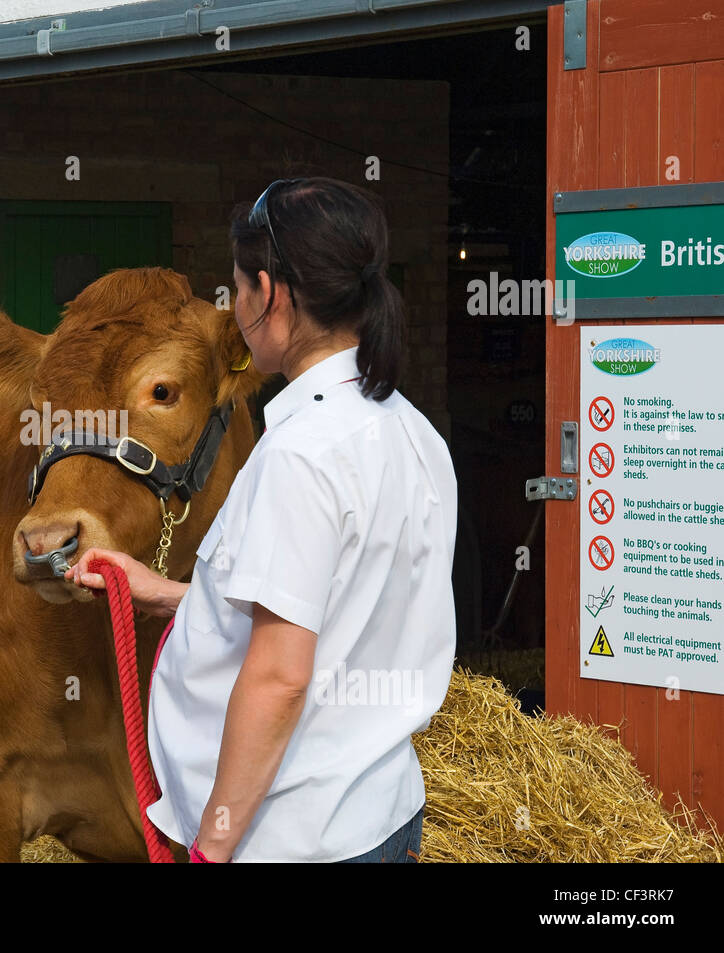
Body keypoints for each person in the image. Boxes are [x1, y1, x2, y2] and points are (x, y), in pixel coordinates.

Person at [68, 177, 457, 863]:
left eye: (240, 288)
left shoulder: (301, 455)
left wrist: (213, 843)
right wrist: (166, 594)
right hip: (381, 812)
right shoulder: (411, 429)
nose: (237, 306)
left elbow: (281, 675)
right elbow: (327, 611)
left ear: (271, 294)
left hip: (287, 835)